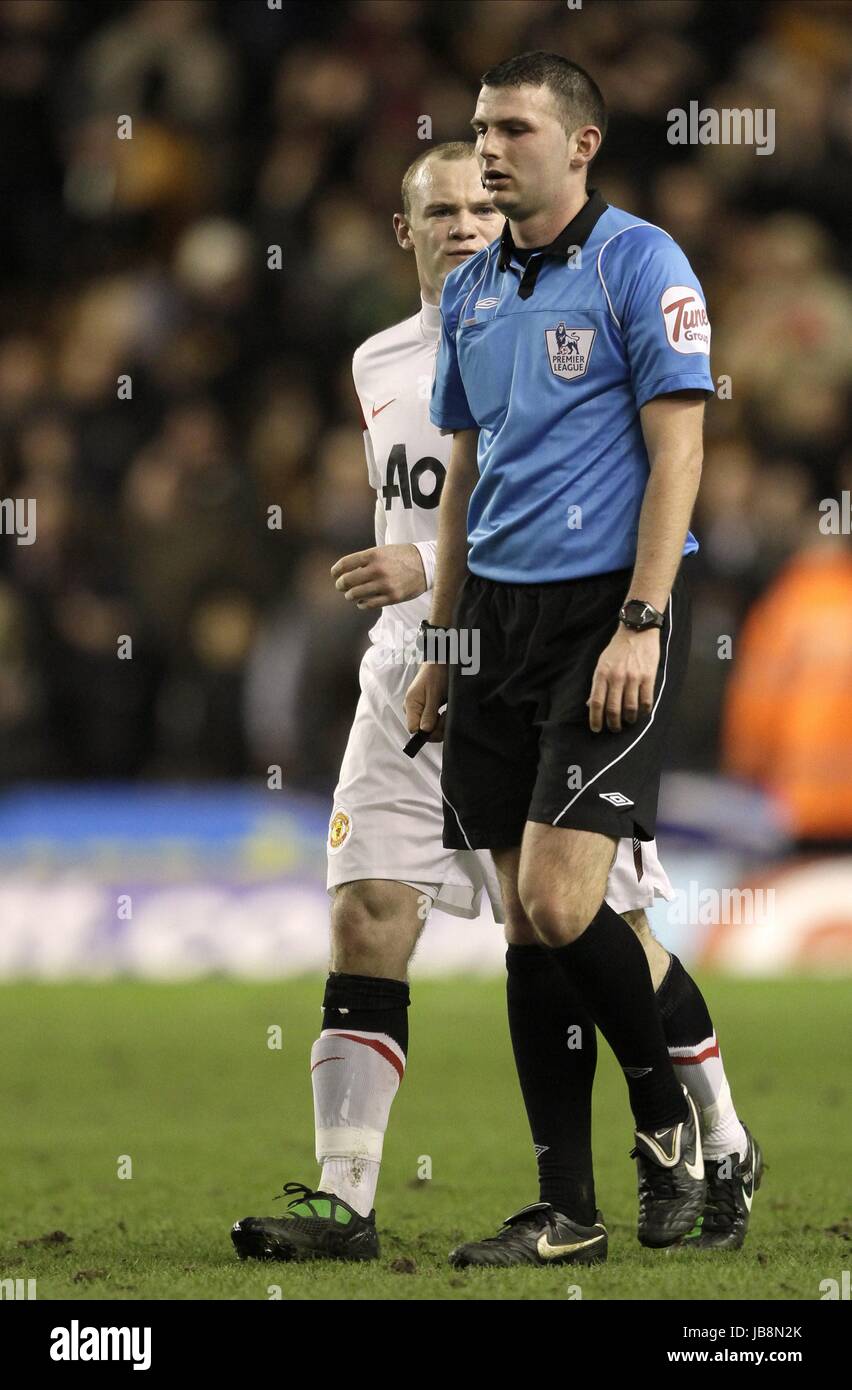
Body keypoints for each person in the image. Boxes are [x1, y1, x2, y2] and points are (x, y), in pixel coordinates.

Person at [230, 142, 686, 1267]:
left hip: (530, 661)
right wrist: (419, 598)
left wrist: (434, 579)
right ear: (406, 232)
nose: (462, 224)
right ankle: (343, 1201)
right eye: (436, 209)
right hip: (411, 668)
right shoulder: (376, 360)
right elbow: (436, 500)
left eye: (480, 203)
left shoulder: (556, 332)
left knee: (589, 923)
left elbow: (560, 513)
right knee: (367, 909)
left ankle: (711, 1137)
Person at [405, 52, 761, 1262]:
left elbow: (680, 457)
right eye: (478, 130)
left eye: (511, 129)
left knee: (565, 900)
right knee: (523, 924)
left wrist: (644, 620)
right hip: (495, 618)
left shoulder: (642, 264)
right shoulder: (473, 289)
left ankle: (669, 1123)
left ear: (582, 143)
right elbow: (465, 479)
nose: (489, 149)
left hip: (608, 609)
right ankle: (567, 1211)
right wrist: (442, 645)